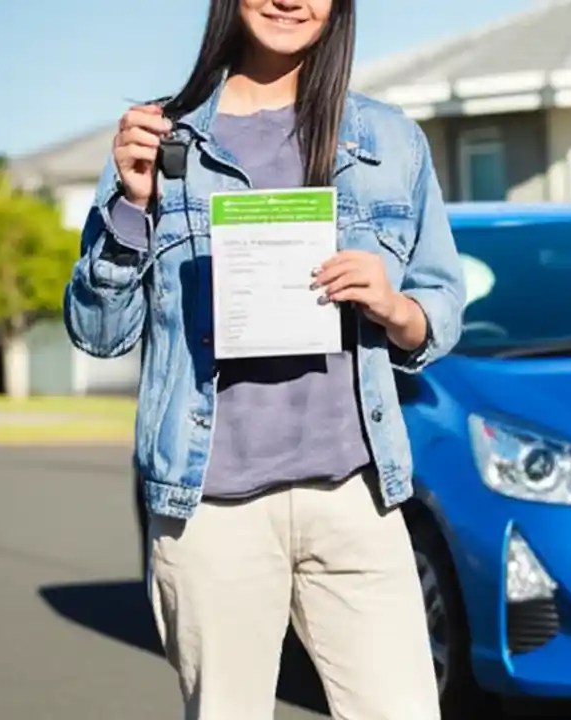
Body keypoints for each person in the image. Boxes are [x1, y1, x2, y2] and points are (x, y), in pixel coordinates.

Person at [63, 0, 466, 718]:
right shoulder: (162, 139)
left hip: (355, 498)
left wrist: (393, 306)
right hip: (210, 509)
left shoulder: (390, 141)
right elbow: (99, 333)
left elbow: (438, 307)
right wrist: (130, 207)